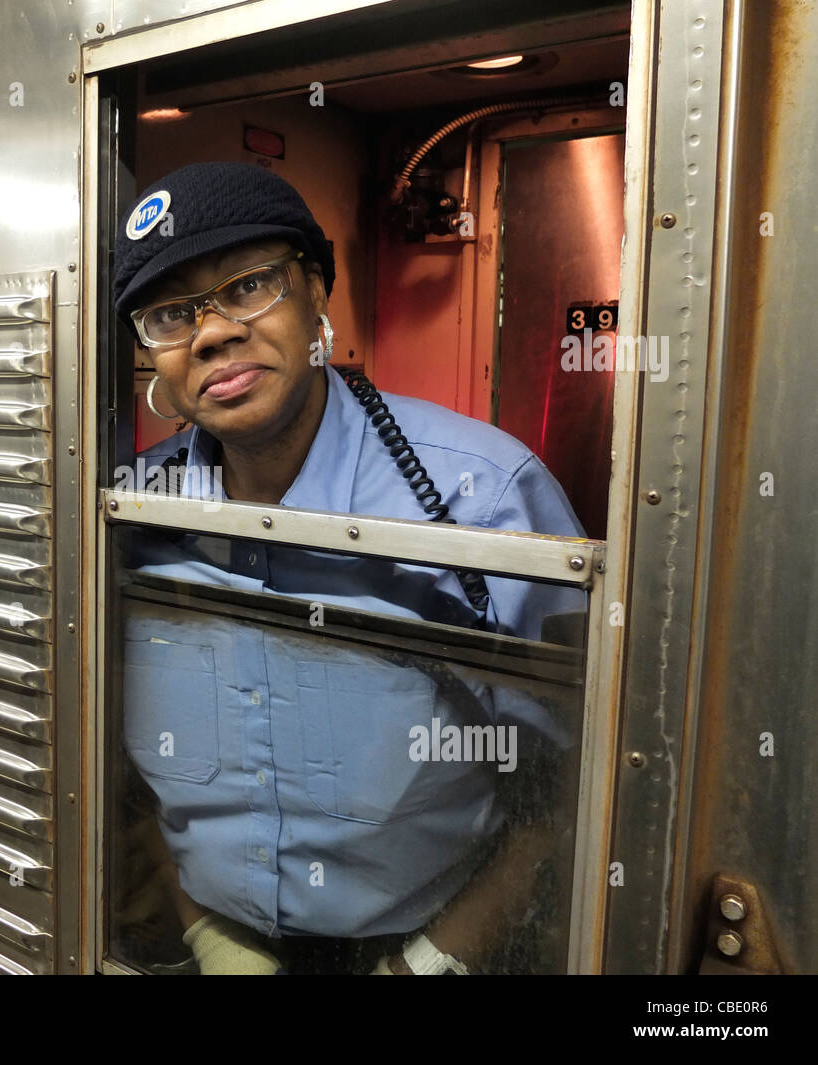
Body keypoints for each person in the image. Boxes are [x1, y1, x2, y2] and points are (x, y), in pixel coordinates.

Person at [111, 161, 587, 974]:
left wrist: (431, 962)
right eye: (170, 313)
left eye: (250, 285)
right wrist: (204, 933)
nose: (213, 331)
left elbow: (573, 784)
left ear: (318, 292)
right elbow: (124, 775)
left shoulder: (482, 497)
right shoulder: (128, 515)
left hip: (428, 941)